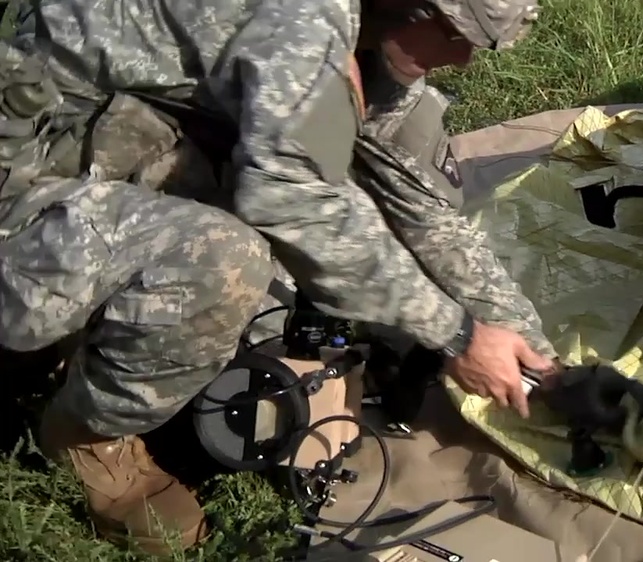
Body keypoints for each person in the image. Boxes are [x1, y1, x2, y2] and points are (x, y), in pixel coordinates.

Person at [0, 0, 557, 553]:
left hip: (87, 137)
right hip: (19, 181)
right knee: (224, 259)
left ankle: (85, 320)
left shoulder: (361, 37)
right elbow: (292, 202)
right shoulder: (305, 17)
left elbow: (420, 210)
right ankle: (86, 434)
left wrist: (535, 359)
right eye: (459, 35)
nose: (463, 59)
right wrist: (456, 335)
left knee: (332, 189)